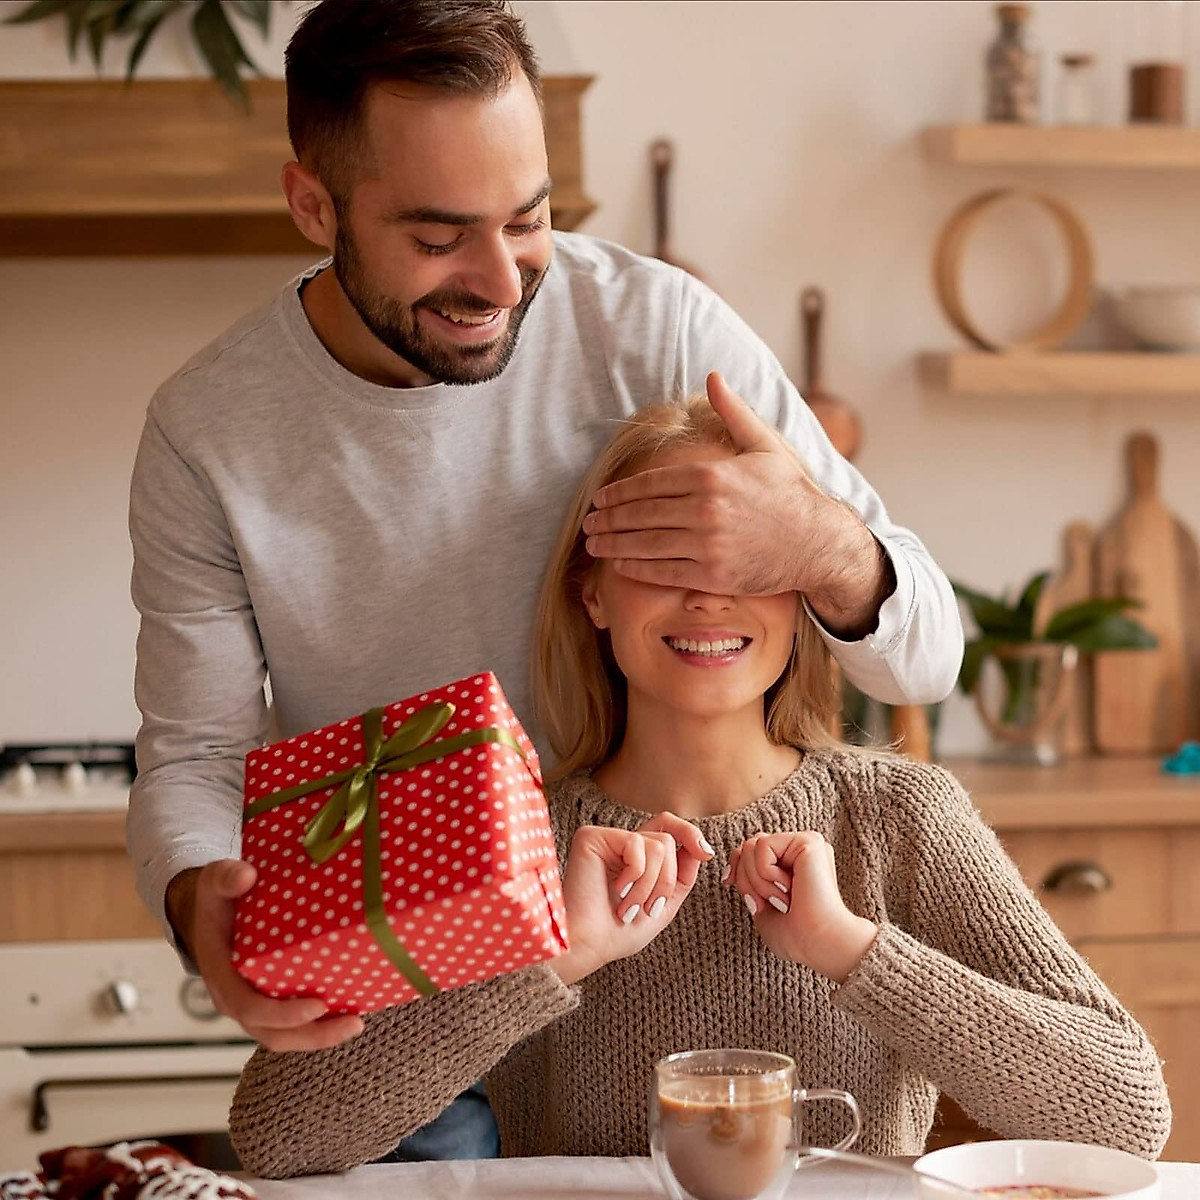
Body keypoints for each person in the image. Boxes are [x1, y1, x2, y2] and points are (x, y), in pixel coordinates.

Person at [126, 0, 963, 1161]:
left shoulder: (661, 328)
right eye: (436, 239)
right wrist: (200, 902)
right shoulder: (206, 431)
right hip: (421, 1007)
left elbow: (925, 649)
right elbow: (197, 758)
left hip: (668, 947)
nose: (504, 280)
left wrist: (818, 544)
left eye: (529, 220)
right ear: (313, 205)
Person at [225, 396, 1170, 1178]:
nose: (709, 598)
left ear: (800, 597)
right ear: (592, 594)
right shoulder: (517, 834)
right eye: (661, 561)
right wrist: (556, 958)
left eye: (748, 565)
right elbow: (276, 1135)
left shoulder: (901, 818)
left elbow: (1129, 1114)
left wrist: (853, 951)